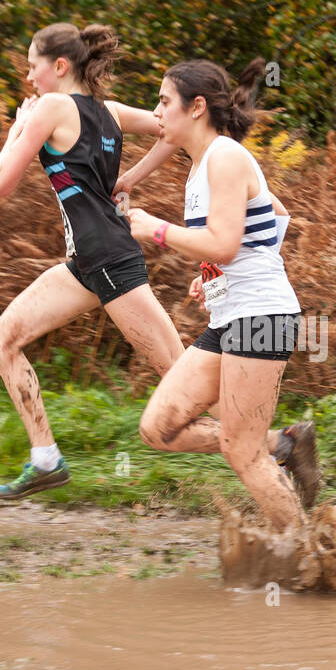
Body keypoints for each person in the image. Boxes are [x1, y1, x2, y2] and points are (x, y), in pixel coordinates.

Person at [0, 25, 310, 502]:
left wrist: (17, 126)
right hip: (86, 263)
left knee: (183, 390)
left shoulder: (50, 107)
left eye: (32, 65)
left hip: (111, 261)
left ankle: (279, 445)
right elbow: (171, 129)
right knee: (1, 340)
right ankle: (45, 459)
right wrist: (130, 176)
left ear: (59, 67)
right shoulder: (108, 111)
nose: (28, 77)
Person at [119, 58, 320, 532]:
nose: (157, 112)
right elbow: (276, 214)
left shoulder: (226, 157)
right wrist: (214, 275)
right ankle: (289, 445)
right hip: (232, 317)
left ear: (197, 107)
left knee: (241, 450)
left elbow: (227, 242)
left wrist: (158, 230)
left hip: (262, 316)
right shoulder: (202, 167)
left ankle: (309, 558)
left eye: (164, 101)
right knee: (158, 427)